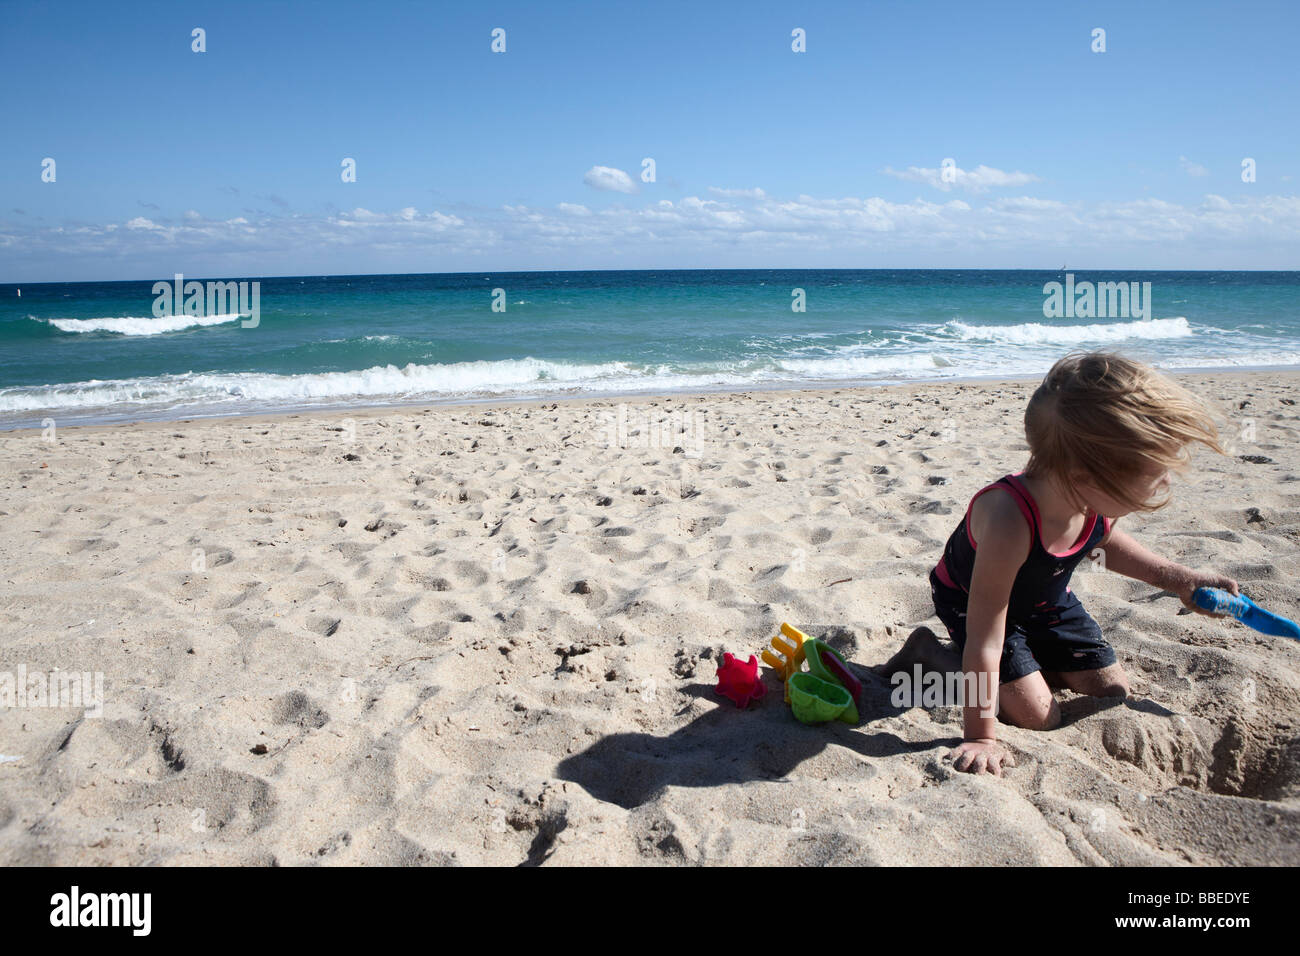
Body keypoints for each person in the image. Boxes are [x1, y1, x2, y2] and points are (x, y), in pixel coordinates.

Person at [879, 351, 1238, 775]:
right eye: (1153, 475)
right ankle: (930, 658)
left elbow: (1105, 542)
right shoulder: (1010, 521)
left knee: (1111, 691)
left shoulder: (1088, 498)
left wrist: (1180, 578)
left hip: (1047, 600)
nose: (1165, 482)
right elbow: (985, 639)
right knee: (1036, 716)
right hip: (975, 603)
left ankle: (1027, 668)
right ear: (1086, 476)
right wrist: (980, 736)